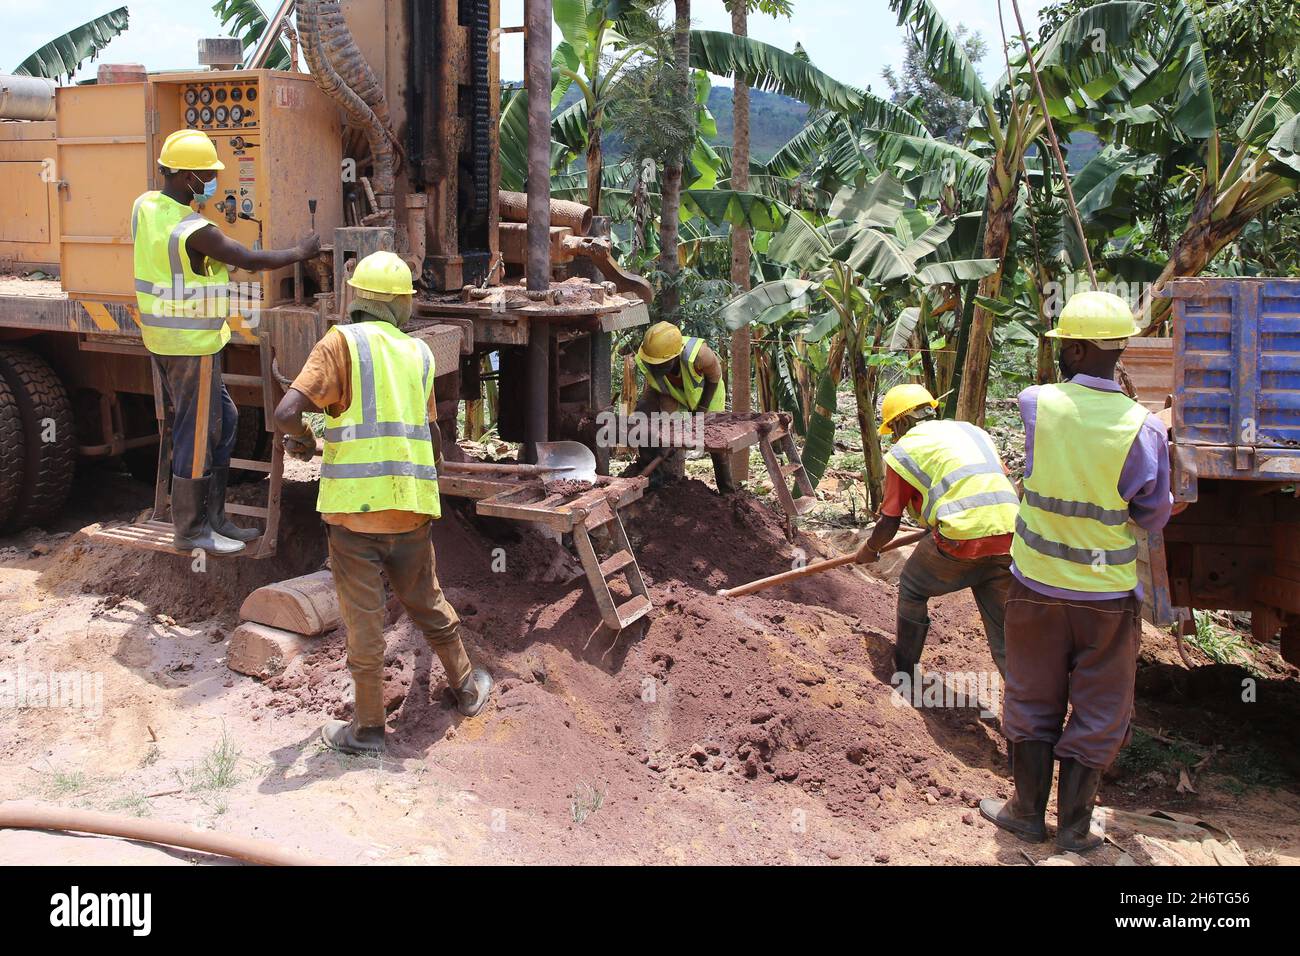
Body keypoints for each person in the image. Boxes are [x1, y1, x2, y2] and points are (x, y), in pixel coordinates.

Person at [273, 251, 492, 755]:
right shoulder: (419, 354)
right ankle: (466, 688)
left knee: (364, 620)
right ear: (397, 304)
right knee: (428, 602)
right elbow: (431, 433)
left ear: (358, 299)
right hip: (411, 508)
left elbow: (287, 411)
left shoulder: (339, 344)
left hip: (354, 513)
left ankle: (368, 729)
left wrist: (302, 438)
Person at [980, 290, 1172, 853]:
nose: (1060, 352)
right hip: (1105, 600)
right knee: (1100, 707)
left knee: (1032, 695)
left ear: (1081, 348)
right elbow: (1152, 514)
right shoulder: (1144, 429)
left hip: (1034, 586)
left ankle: (1024, 812)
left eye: (1065, 344)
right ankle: (1072, 829)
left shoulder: (1037, 403)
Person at [133, 128, 319, 555]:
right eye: (205, 174)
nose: (211, 181)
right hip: (189, 344)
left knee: (226, 420)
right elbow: (249, 259)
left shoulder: (145, 207)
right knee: (197, 433)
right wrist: (299, 252)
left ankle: (214, 519)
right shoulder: (195, 230)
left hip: (171, 338)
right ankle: (191, 529)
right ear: (184, 177)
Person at [856, 384, 1019, 677]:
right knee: (1006, 637)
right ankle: (1030, 710)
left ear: (902, 422)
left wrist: (870, 549)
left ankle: (904, 672)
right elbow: (986, 484)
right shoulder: (973, 432)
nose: (894, 436)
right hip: (1011, 536)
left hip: (960, 539)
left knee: (912, 588)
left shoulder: (903, 452)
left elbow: (889, 521)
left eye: (893, 428)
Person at [628, 321, 733, 491]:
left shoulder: (699, 354)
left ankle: (728, 491)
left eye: (661, 365)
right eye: (653, 364)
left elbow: (714, 378)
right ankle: (655, 480)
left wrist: (701, 412)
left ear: (675, 356)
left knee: (716, 442)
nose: (656, 368)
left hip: (707, 394)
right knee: (654, 423)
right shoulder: (648, 356)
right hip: (673, 393)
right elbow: (653, 389)